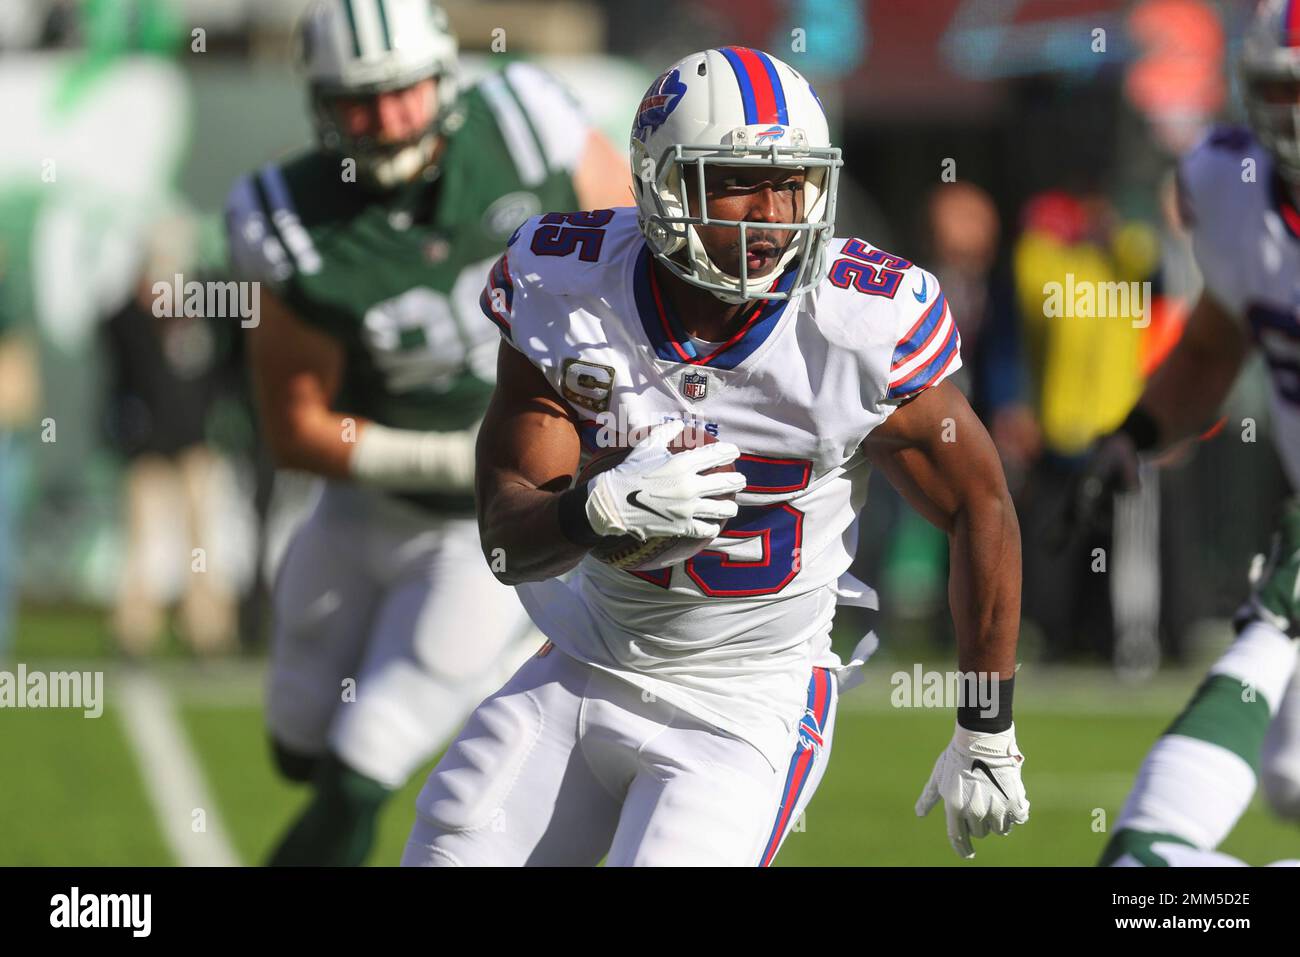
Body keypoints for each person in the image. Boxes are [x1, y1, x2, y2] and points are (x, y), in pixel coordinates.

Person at [402, 47, 1029, 867]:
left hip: (747, 701)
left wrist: (986, 724)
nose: (774, 213)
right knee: (449, 845)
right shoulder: (568, 288)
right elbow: (503, 536)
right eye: (739, 179)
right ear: (663, 184)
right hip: (588, 660)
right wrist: (590, 512)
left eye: (793, 181)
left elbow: (979, 505)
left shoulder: (854, 324)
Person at [225, 0, 630, 865]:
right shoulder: (287, 216)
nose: (387, 119)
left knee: (363, 763)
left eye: (403, 92)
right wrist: (447, 456)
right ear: (322, 103)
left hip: (482, 528)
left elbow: (634, 272)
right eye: (360, 101)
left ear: (444, 76)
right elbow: (295, 426)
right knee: (295, 742)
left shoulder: (528, 125)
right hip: (361, 507)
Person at [1071, 0, 1300, 833]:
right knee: (1291, 777)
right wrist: (1132, 438)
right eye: (1282, 91)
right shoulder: (1226, 189)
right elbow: (1213, 344)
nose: (1295, 114)